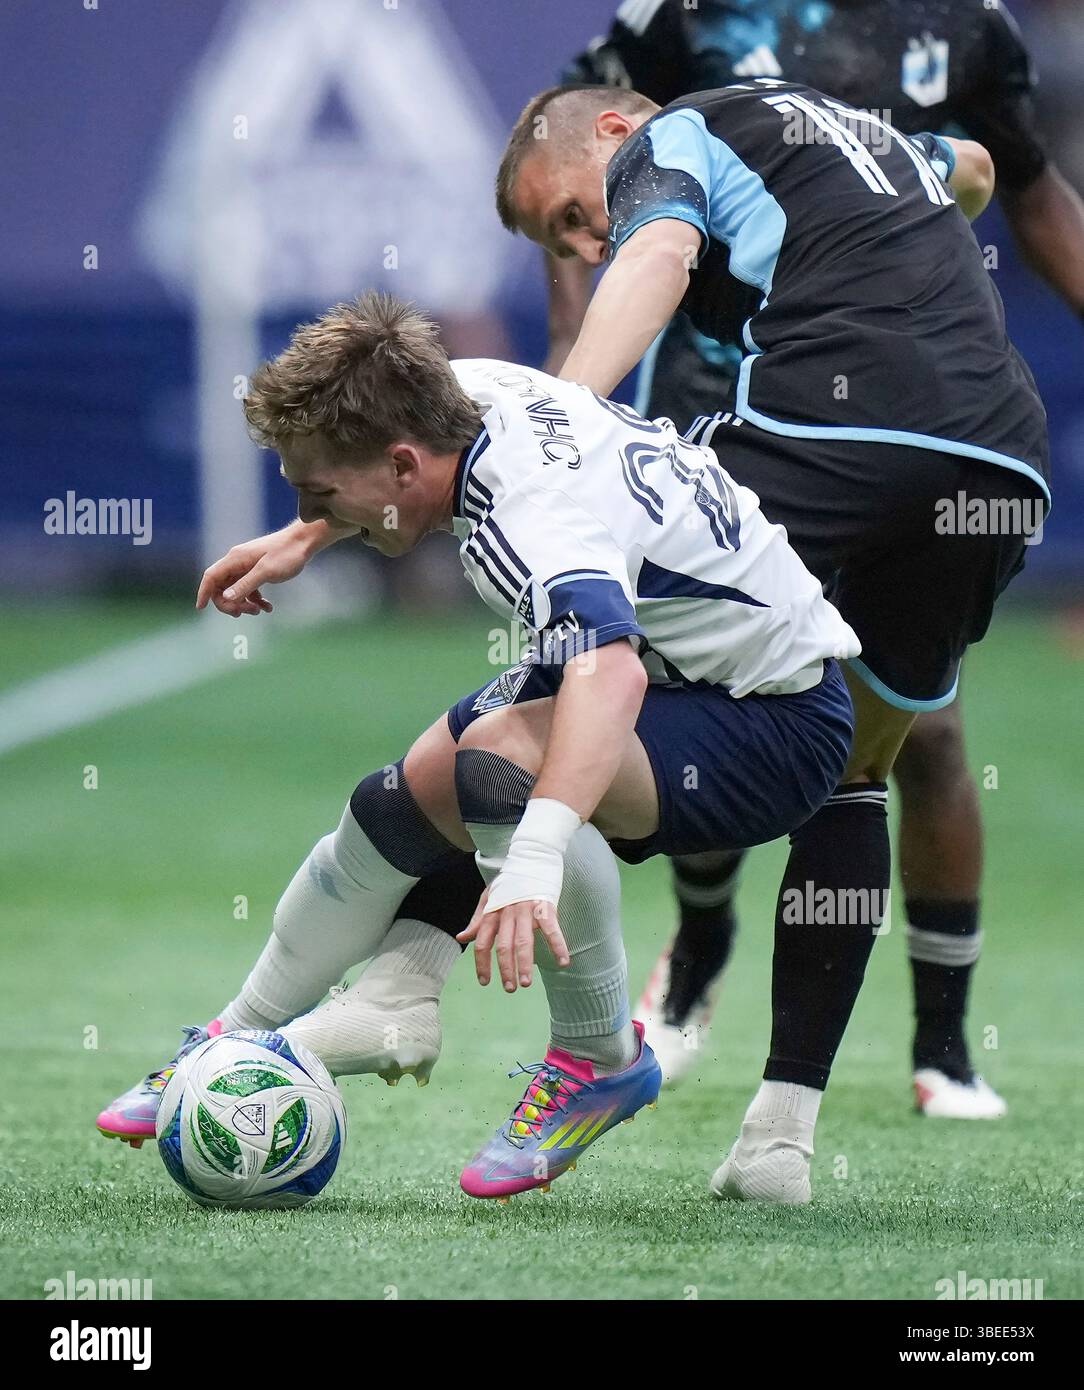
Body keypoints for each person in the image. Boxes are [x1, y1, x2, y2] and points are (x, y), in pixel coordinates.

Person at [97, 291, 862, 1202]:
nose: (310, 505)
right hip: (682, 668)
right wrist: (308, 535)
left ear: (403, 463)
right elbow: (388, 475)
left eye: (317, 492)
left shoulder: (532, 518)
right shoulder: (459, 394)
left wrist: (535, 854)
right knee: (398, 801)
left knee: (500, 764)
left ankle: (599, 1055)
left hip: (769, 721)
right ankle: (232, 1040)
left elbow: (607, 677)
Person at [495, 77, 1049, 1193]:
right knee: (855, 764)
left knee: (557, 659)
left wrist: (542, 427)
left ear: (612, 130)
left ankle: (418, 994)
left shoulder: (673, 133)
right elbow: (978, 172)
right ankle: (781, 1136)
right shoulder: (868, 142)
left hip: (831, 424)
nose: (586, 243)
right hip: (998, 453)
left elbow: (651, 259)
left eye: (568, 215)